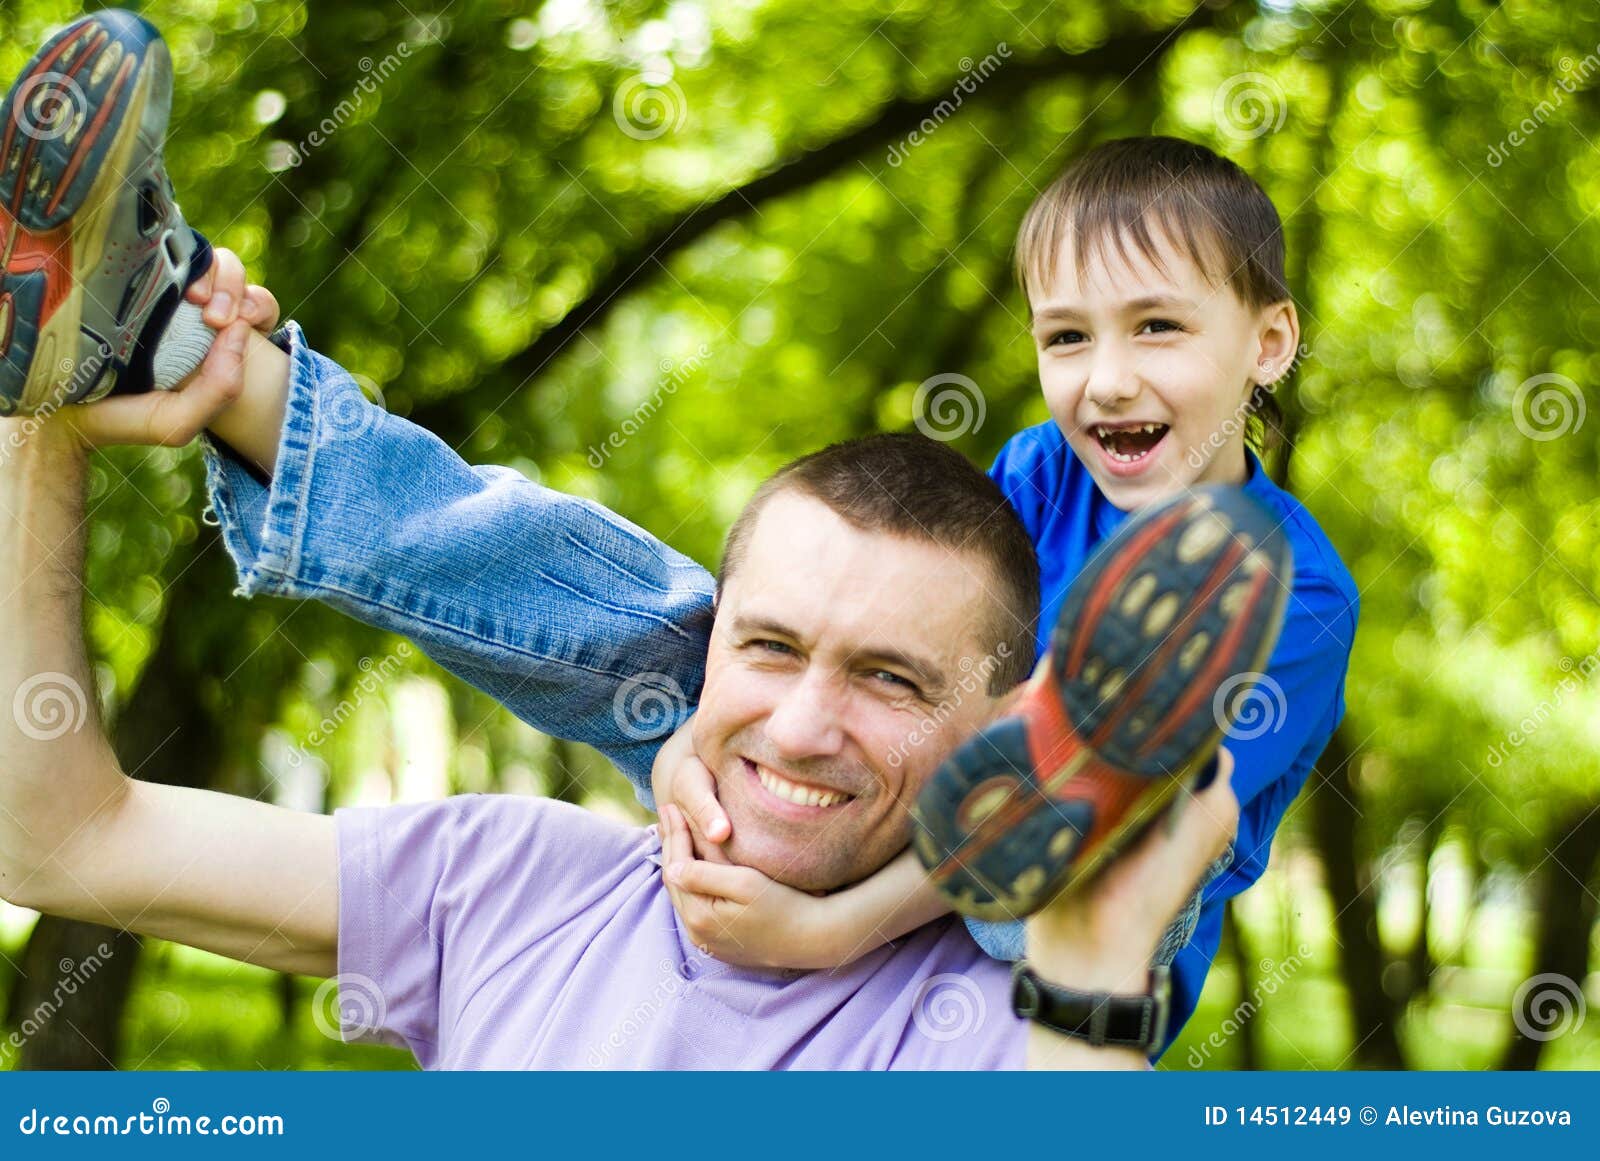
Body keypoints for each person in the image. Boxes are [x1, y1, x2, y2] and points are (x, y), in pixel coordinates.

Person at [0, 10, 1352, 1056]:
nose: (1106, 381)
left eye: (1158, 328)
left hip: (1083, 891)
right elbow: (57, 838)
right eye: (1067, 339)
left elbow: (1079, 811)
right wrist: (698, 730)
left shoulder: (1294, 591)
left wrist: (827, 927)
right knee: (683, 616)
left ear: (1271, 340)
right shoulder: (1043, 472)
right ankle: (180, 347)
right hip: (947, 786)